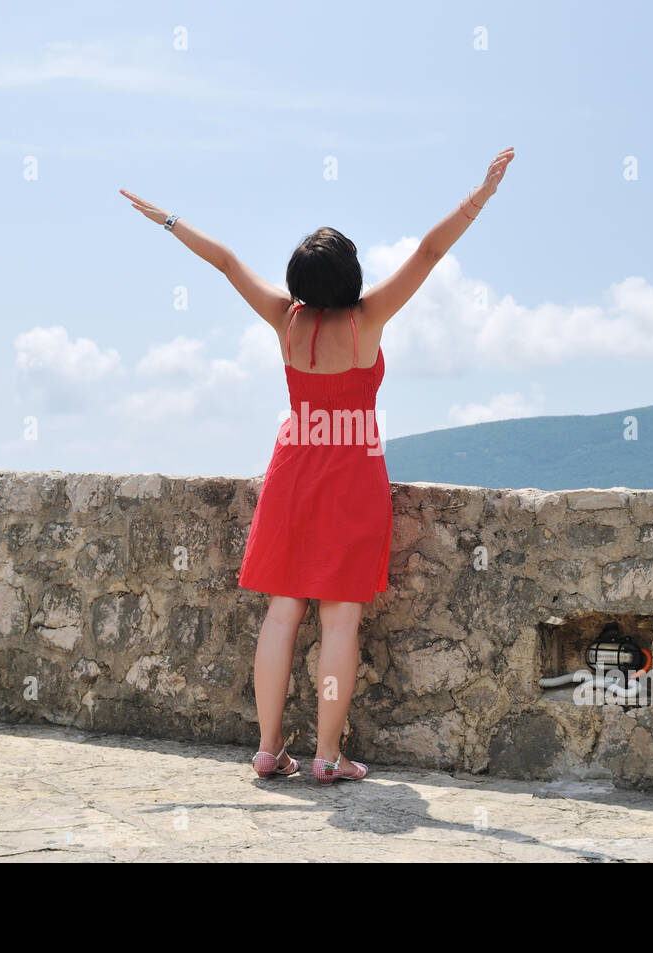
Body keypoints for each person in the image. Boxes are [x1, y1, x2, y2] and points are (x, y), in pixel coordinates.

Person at [118, 146, 514, 785]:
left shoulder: (285, 319)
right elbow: (429, 252)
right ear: (349, 277)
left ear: (300, 281)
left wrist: (168, 220)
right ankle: (328, 756)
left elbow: (225, 261)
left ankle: (268, 750)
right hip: (352, 474)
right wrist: (481, 195)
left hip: (294, 470)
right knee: (340, 617)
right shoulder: (367, 320)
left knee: (282, 611)